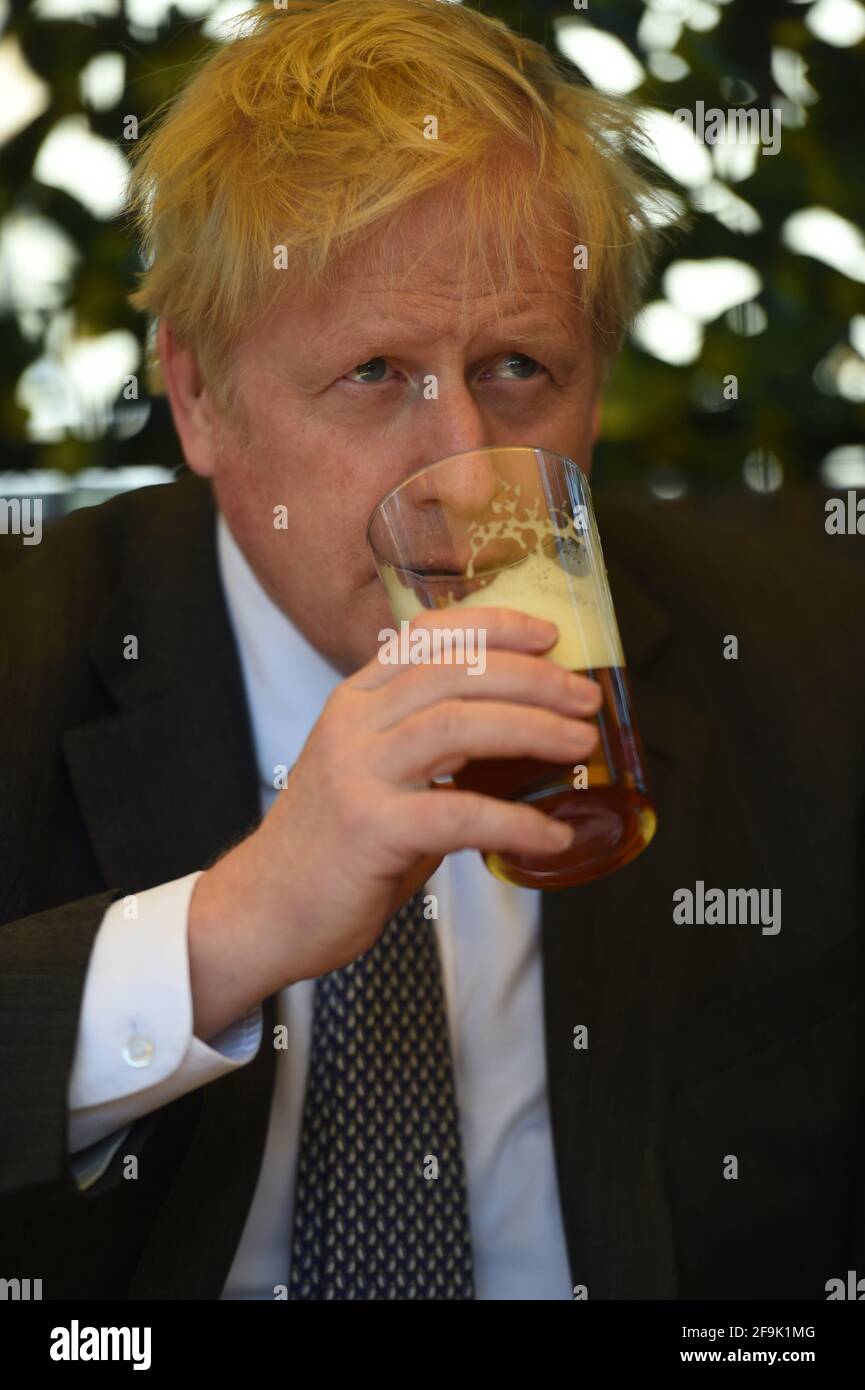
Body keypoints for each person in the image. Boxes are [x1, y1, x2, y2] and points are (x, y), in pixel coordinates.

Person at [1, 0, 863, 1302]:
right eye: (370, 373)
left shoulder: (811, 651)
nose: (465, 478)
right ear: (196, 397)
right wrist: (222, 932)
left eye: (518, 365)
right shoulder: (32, 648)